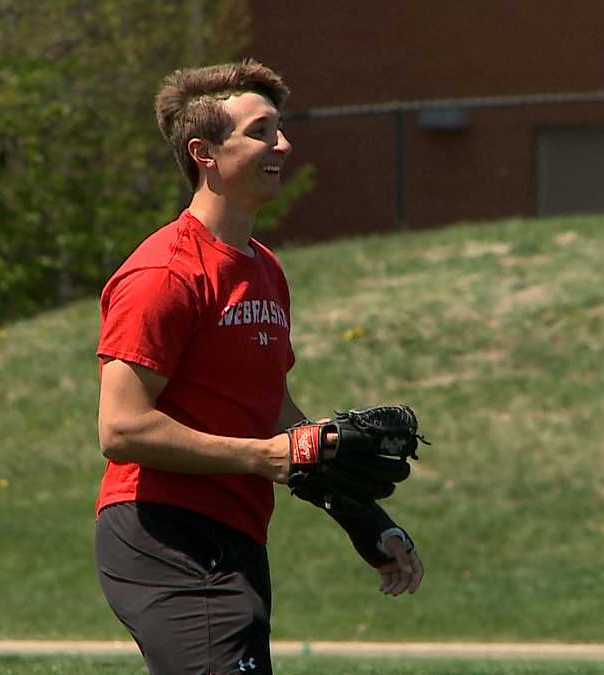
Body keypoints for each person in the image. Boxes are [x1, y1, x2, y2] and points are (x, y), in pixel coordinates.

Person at [94, 59, 423, 675]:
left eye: (280, 128)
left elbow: (272, 412)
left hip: (236, 531)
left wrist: (362, 516)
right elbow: (121, 429)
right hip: (163, 534)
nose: (283, 144)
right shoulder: (164, 272)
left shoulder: (264, 269)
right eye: (261, 131)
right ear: (205, 153)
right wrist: (262, 457)